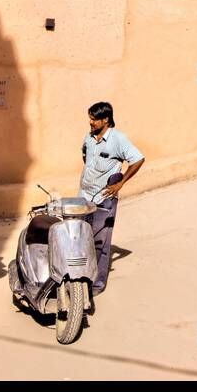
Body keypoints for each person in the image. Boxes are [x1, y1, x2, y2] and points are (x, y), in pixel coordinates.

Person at [79, 101, 144, 297]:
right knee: (81, 238)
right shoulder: (89, 137)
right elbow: (85, 155)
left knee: (101, 242)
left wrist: (121, 182)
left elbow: (138, 158)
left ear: (105, 119)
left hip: (104, 199)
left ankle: (97, 284)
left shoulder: (118, 139)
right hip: (84, 196)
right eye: (89, 117)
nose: (90, 122)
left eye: (94, 118)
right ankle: (81, 278)